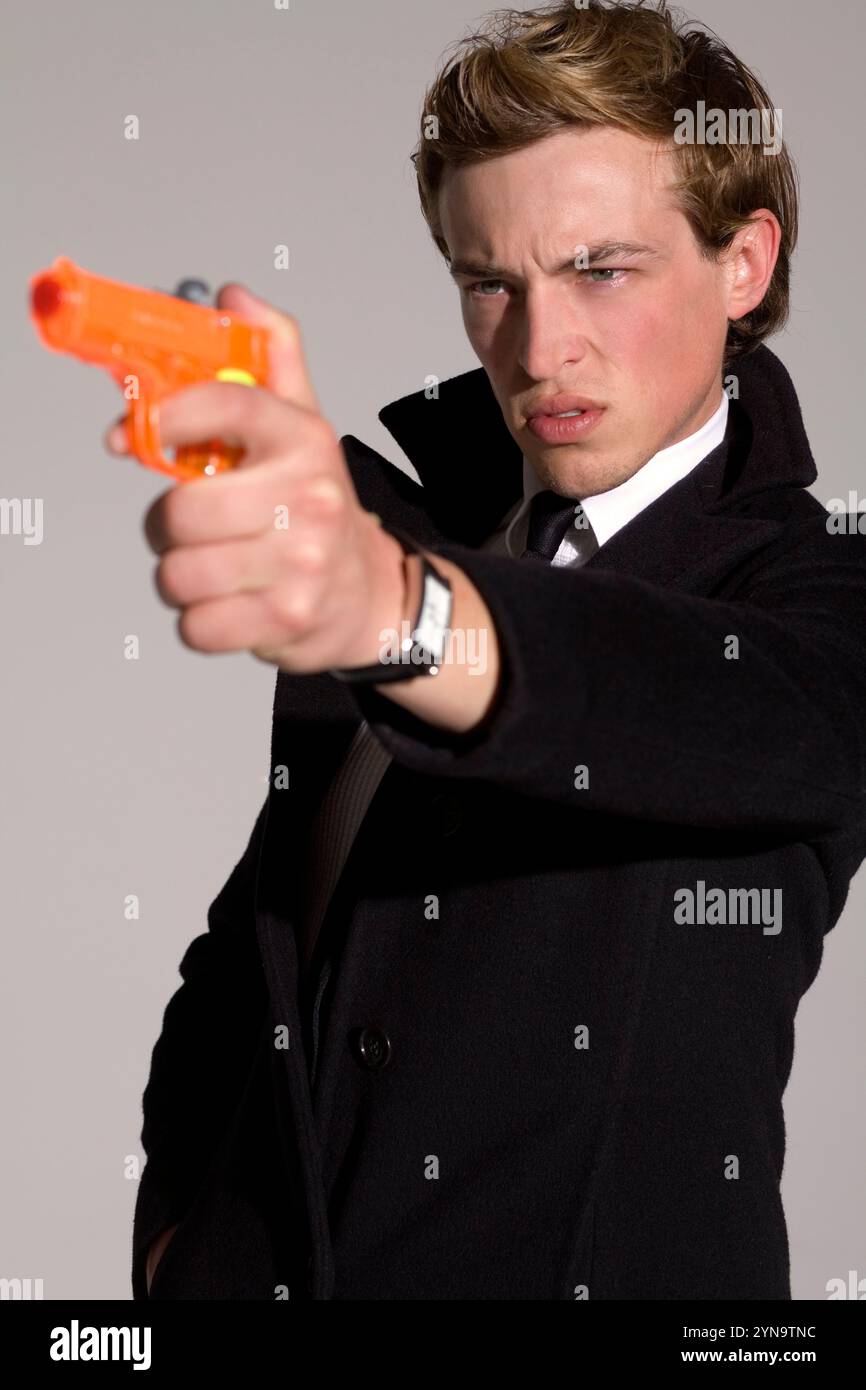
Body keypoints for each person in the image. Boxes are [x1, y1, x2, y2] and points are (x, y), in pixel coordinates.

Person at [121, 0, 866, 1299]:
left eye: (602, 270)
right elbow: (250, 961)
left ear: (742, 263)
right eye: (491, 283)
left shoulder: (819, 599)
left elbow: (669, 692)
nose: (538, 346)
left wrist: (398, 614)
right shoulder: (417, 525)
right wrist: (180, 1251)